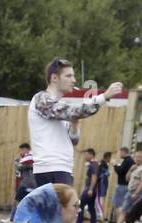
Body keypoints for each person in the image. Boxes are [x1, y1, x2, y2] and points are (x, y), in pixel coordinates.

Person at [28, 58, 123, 186]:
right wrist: (104, 96)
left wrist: (74, 125)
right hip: (51, 168)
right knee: (66, 206)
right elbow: (75, 111)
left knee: (66, 206)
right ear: (54, 78)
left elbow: (73, 140)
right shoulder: (41, 99)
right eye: (68, 76)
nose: (74, 80)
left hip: (61, 169)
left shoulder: (61, 107)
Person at [76, 148, 100, 223]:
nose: (85, 156)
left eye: (86, 154)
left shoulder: (93, 165)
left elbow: (94, 177)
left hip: (90, 189)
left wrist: (90, 189)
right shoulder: (94, 164)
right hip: (92, 189)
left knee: (81, 205)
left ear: (91, 154)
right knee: (91, 207)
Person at [112, 145, 135, 223]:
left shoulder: (127, 160)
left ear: (124, 152)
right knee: (123, 206)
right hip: (126, 186)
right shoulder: (130, 161)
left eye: (120, 152)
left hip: (123, 186)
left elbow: (120, 171)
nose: (119, 154)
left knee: (119, 205)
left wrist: (115, 165)